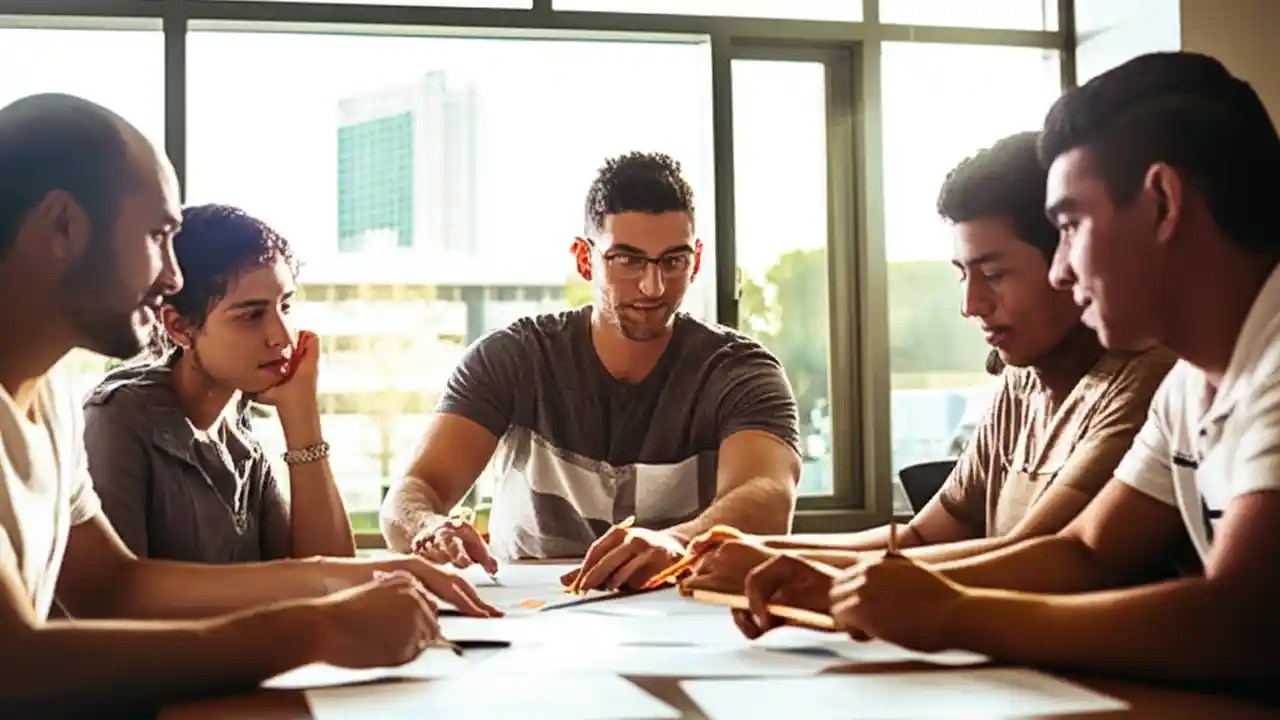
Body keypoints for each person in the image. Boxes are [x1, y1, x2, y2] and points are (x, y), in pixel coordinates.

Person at [777, 52, 1280, 686]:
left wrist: (956, 615)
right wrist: (839, 585)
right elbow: (1085, 550)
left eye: (1070, 226)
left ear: (1161, 203)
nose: (1062, 269)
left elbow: (1248, 620)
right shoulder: (1189, 384)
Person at [0, 93, 497, 718]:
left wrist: (351, 579)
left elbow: (113, 584)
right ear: (64, 226)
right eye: (158, 237)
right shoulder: (113, 413)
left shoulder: (46, 398)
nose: (173, 279)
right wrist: (318, 630)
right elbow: (12, 664)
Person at [682, 132, 1174, 611]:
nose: (971, 305)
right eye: (964, 274)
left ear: (1068, 256)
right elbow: (920, 536)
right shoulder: (1021, 382)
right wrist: (753, 553)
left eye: (995, 275)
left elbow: (1037, 555)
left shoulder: (1145, 382)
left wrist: (818, 579)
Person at [381, 151, 802, 591]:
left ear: (694, 261)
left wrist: (676, 543)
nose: (652, 286)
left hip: (681, 607)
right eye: (628, 260)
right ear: (586, 259)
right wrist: (429, 528)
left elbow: (767, 499)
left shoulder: (741, 371)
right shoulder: (511, 358)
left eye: (672, 261)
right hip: (531, 620)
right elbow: (412, 493)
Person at [83, 204, 354, 563]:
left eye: (285, 307)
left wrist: (301, 414)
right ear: (179, 328)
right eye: (252, 316)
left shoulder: (236, 429)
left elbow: (330, 574)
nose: (283, 338)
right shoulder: (117, 418)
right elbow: (115, 599)